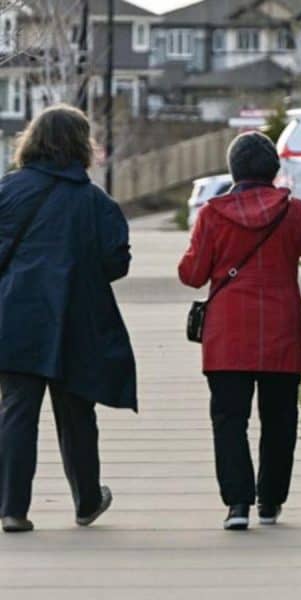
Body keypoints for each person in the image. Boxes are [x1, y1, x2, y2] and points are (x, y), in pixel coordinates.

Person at [178, 131, 301, 531]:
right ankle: (270, 502)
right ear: (274, 170)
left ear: (232, 170)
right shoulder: (296, 213)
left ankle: (237, 505)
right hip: (281, 332)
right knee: (279, 420)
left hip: (227, 335)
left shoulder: (211, 214)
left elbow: (191, 274)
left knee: (228, 419)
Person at [0, 105, 135, 533]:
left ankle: (12, 509)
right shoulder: (96, 201)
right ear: (82, 145)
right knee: (77, 412)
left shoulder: (7, 191)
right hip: (76, 320)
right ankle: (87, 501)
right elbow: (116, 263)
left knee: (17, 411)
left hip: (16, 314)